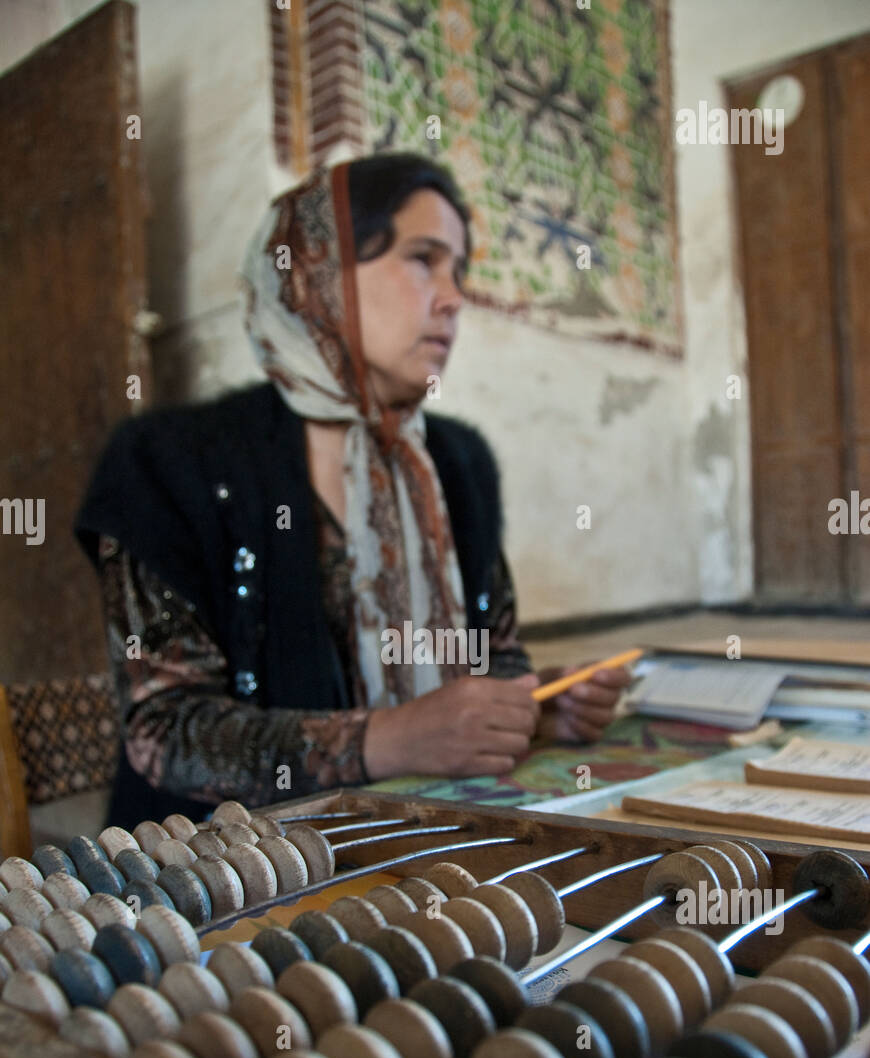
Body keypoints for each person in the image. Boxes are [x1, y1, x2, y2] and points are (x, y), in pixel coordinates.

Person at [76, 153, 628, 830]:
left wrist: (537, 705)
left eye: (459, 270)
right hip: (222, 874)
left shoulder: (455, 463)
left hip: (417, 840)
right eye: (423, 259)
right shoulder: (167, 464)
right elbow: (167, 732)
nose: (453, 298)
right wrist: (390, 739)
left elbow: (495, 655)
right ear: (317, 273)